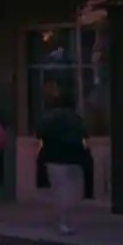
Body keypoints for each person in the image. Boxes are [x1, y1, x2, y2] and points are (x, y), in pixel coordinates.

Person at [36, 92, 88, 235]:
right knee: (70, 189)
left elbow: (39, 133)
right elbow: (84, 134)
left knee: (58, 188)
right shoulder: (75, 118)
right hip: (72, 156)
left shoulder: (48, 118)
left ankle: (61, 218)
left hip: (53, 156)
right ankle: (65, 217)